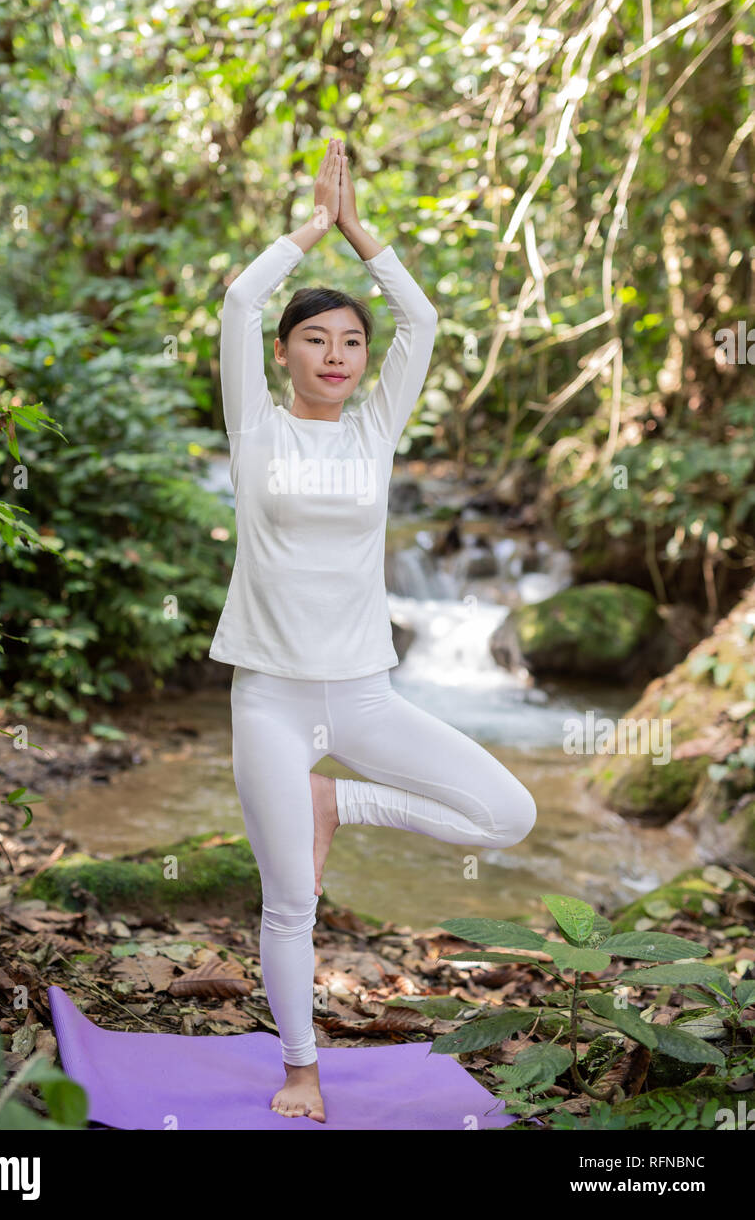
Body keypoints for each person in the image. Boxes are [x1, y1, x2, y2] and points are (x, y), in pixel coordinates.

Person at [209, 138, 537, 1122]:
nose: (337, 355)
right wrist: (308, 229)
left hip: (359, 691)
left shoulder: (374, 427)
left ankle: (339, 806)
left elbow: (423, 317)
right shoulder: (256, 426)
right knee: (287, 904)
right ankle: (300, 1068)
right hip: (268, 691)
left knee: (506, 814)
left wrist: (362, 235)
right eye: (316, 339)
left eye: (350, 341)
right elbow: (233, 303)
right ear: (285, 353)